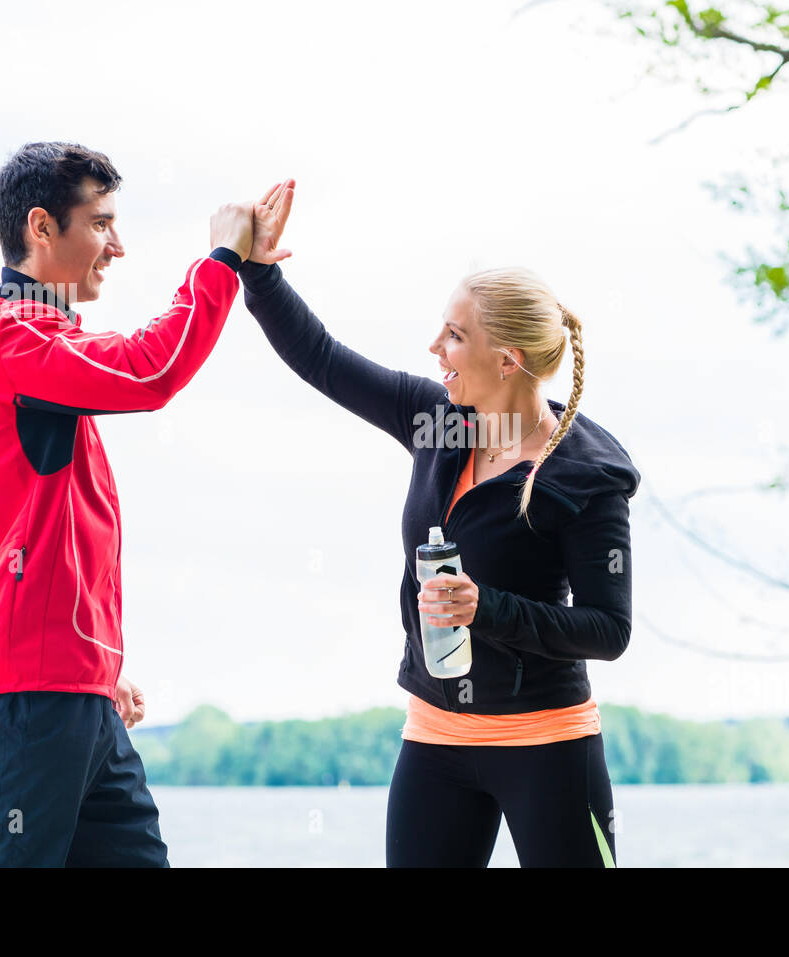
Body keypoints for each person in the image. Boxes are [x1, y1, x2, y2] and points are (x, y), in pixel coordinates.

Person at [238, 181, 639, 867]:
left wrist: (487, 608)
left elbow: (609, 630)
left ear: (506, 360)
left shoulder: (586, 472)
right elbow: (324, 359)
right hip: (434, 737)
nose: (434, 347)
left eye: (454, 335)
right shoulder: (436, 421)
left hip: (547, 743)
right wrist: (258, 269)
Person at [0, 142, 291, 866]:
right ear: (42, 227)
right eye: (100, 224)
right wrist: (221, 262)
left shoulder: (43, 344)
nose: (117, 246)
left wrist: (92, 663)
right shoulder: (9, 334)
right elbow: (151, 369)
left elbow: (56, 529)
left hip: (76, 694)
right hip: (23, 701)